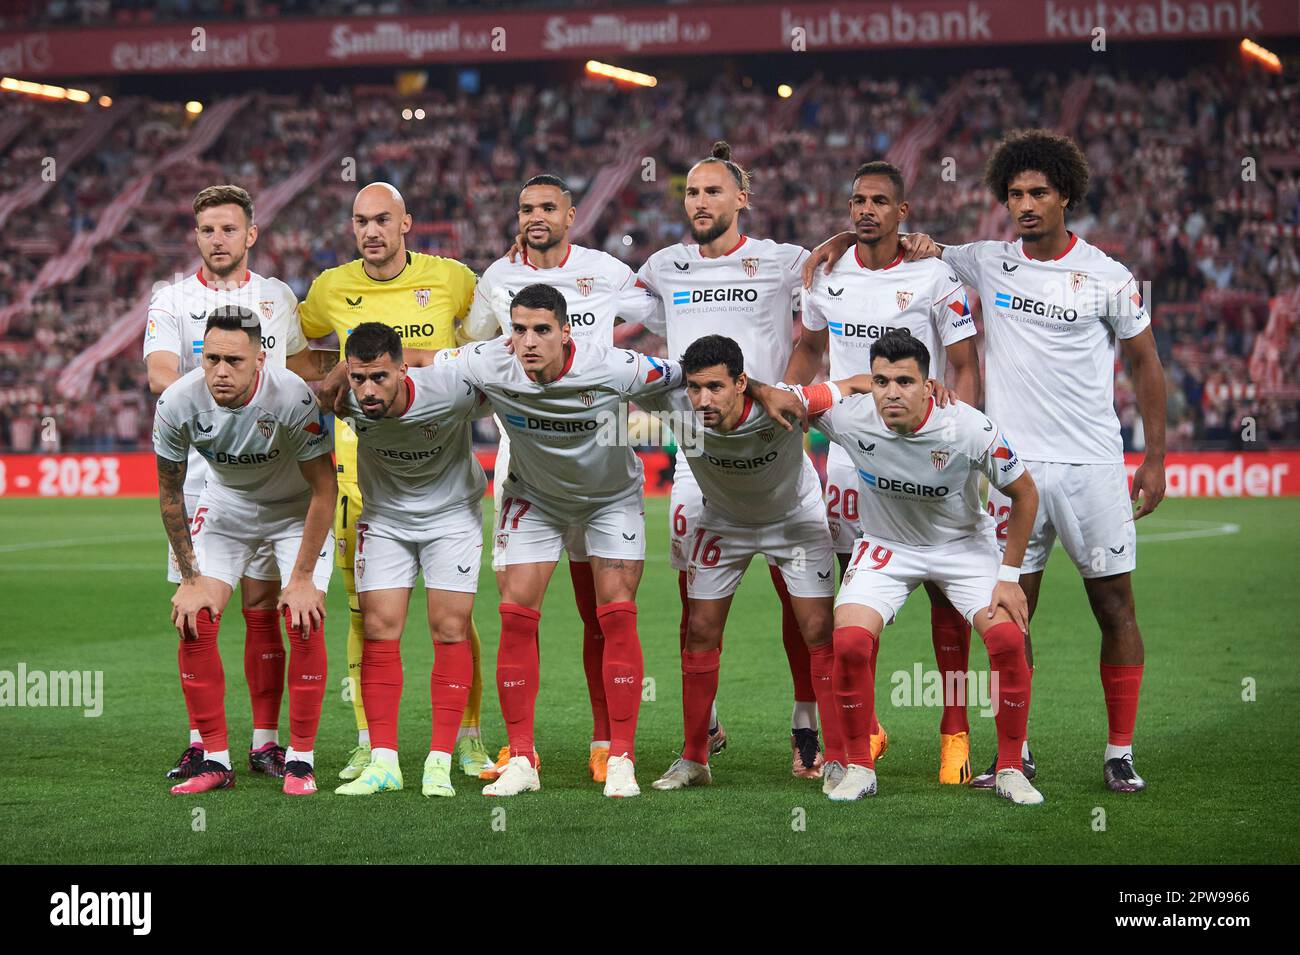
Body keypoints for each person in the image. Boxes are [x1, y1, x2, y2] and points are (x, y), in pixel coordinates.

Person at [804, 129, 1166, 792]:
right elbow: (897, 244)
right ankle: (1015, 751)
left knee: (1114, 608)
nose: (1025, 204)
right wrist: (835, 246)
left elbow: (1145, 363)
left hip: (1092, 464)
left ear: (1066, 197)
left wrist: (1156, 455)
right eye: (1015, 193)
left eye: (1039, 193)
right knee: (1010, 613)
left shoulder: (1109, 277)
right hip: (1012, 470)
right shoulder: (987, 260)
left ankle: (1119, 750)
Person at [442, 284, 802, 798]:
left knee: (615, 612)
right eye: (518, 329)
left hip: (610, 500)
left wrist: (762, 387)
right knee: (515, 614)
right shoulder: (486, 360)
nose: (527, 342)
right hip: (535, 498)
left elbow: (690, 375)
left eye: (541, 330)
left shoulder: (616, 367)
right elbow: (426, 366)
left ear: (566, 333)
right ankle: (522, 757)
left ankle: (621, 758)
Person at [288, 182, 496, 781]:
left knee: (454, 619)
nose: (370, 231)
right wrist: (339, 377)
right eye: (360, 221)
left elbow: (483, 347)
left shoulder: (453, 278)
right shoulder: (330, 287)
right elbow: (298, 356)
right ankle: (367, 743)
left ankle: (469, 738)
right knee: (364, 616)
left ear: (407, 224)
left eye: (382, 220)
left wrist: (426, 364)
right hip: (360, 477)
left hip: (436, 464)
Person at [784, 160, 983, 784]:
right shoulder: (827, 273)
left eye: (878, 200)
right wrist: (792, 403)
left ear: (903, 212)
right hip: (850, 456)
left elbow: (964, 362)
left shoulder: (935, 275)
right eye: (856, 199)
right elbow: (810, 350)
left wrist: (963, 438)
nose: (864, 209)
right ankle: (864, 729)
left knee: (949, 600)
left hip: (928, 452)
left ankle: (954, 731)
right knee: (855, 596)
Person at [635, 141, 825, 778]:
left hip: (771, 449)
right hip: (698, 457)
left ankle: (808, 726)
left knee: (797, 602)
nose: (700, 202)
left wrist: (790, 394)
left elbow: (826, 314)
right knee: (696, 603)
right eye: (691, 192)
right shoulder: (664, 267)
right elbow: (609, 315)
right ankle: (702, 731)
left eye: (713, 191)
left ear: (741, 200)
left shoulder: (781, 262)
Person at [464, 173, 658, 784]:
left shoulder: (604, 270)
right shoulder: (497, 279)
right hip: (531, 466)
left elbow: (659, 314)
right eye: (526, 208)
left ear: (571, 215)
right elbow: (471, 341)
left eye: (548, 207)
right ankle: (523, 753)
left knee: (600, 611)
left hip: (600, 453)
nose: (536, 216)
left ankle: (609, 744)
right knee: (521, 610)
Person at [803, 329, 1041, 805]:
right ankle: (859, 767)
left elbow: (1025, 493)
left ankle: (1012, 769)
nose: (892, 392)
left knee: (1008, 639)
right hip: (888, 546)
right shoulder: (851, 416)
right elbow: (783, 399)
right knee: (847, 641)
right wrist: (844, 385)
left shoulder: (970, 428)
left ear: (929, 385)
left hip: (962, 547)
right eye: (881, 380)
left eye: (905, 381)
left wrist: (1010, 577)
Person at [143, 184, 317, 782]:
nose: (217, 240)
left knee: (265, 609)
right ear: (196, 235)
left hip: (274, 466)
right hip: (201, 476)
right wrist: (212, 392)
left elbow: (296, 368)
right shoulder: (172, 299)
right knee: (195, 611)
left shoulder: (277, 298)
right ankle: (203, 744)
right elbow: (161, 373)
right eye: (207, 230)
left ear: (251, 234)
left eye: (228, 229)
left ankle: (266, 745)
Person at [639, 335, 844, 793]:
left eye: (715, 387)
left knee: (817, 631)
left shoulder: (785, 406)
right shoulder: (677, 406)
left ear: (741, 383)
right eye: (694, 388)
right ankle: (695, 757)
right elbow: (620, 372)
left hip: (793, 520)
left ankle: (840, 757)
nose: (703, 399)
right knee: (700, 630)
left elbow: (854, 384)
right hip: (724, 522)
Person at [153, 306, 336, 796]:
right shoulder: (176, 402)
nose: (220, 371)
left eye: (233, 360)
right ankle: (213, 759)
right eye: (211, 358)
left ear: (260, 359)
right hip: (227, 507)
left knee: (303, 617)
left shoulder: (293, 398)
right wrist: (190, 579)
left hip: (293, 509)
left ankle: (300, 759)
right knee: (195, 619)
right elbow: (171, 495)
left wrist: (300, 579)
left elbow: (324, 490)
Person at [331, 324, 491, 799]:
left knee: (450, 629)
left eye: (379, 376)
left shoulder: (452, 390)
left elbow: (505, 384)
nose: (367, 390)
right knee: (379, 629)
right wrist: (334, 383)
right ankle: (384, 762)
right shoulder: (343, 398)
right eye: (358, 378)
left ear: (403, 368)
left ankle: (440, 761)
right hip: (384, 520)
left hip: (452, 519)